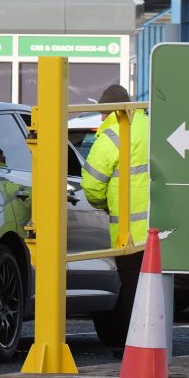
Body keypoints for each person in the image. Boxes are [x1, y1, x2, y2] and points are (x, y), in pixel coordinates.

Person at [81, 83, 149, 355]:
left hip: (129, 229)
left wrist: (101, 204)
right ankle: (156, 342)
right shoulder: (153, 127)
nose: (99, 118)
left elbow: (92, 183)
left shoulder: (113, 134)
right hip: (161, 227)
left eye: (101, 112)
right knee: (155, 286)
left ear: (107, 110)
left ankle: (136, 346)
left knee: (133, 286)